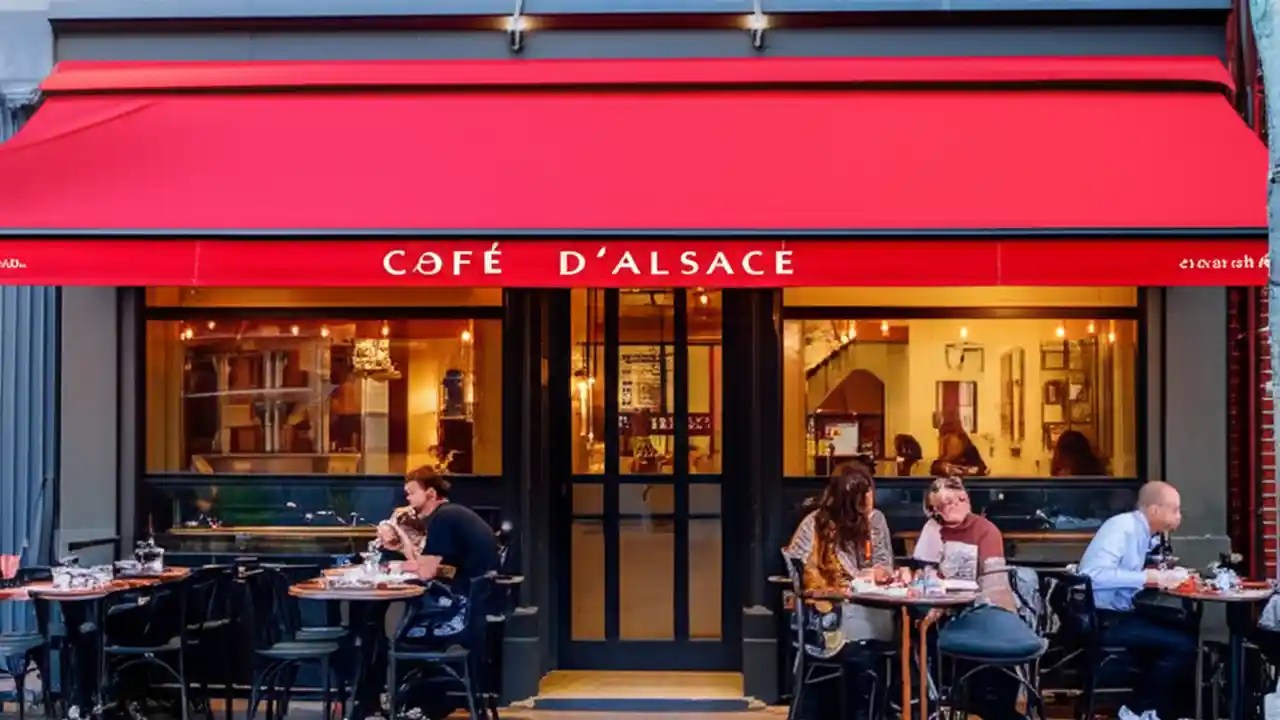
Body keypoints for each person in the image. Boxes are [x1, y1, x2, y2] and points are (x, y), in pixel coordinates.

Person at [783, 463, 895, 720]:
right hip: (826, 617)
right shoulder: (814, 525)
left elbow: (884, 562)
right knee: (868, 646)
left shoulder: (875, 520)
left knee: (899, 633)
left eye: (870, 491)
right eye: (862, 495)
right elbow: (799, 574)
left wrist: (879, 573)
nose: (870, 499)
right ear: (847, 500)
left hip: (868, 603)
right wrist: (841, 587)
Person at [1077, 480, 1195, 720]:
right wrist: (1148, 577)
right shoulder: (1124, 528)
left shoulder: (1141, 532)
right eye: (1174, 509)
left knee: (1183, 626)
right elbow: (1092, 575)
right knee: (1182, 645)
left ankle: (1162, 709)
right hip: (1105, 618)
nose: (1179, 516)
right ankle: (1136, 710)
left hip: (1118, 613)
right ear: (1154, 510)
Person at [393, 466, 501, 719]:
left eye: (411, 493)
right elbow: (434, 567)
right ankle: (430, 705)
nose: (407, 499)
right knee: (406, 627)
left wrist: (401, 543)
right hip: (478, 608)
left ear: (430, 493)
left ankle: (414, 707)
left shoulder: (444, 518)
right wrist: (408, 556)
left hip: (462, 615)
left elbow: (426, 572)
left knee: (399, 637)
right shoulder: (455, 514)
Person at [913, 477, 1022, 720]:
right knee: (920, 635)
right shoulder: (932, 530)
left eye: (962, 498)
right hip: (943, 612)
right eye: (947, 502)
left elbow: (994, 587)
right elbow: (925, 575)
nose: (958, 504)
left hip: (983, 611)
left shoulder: (986, 530)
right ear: (934, 509)